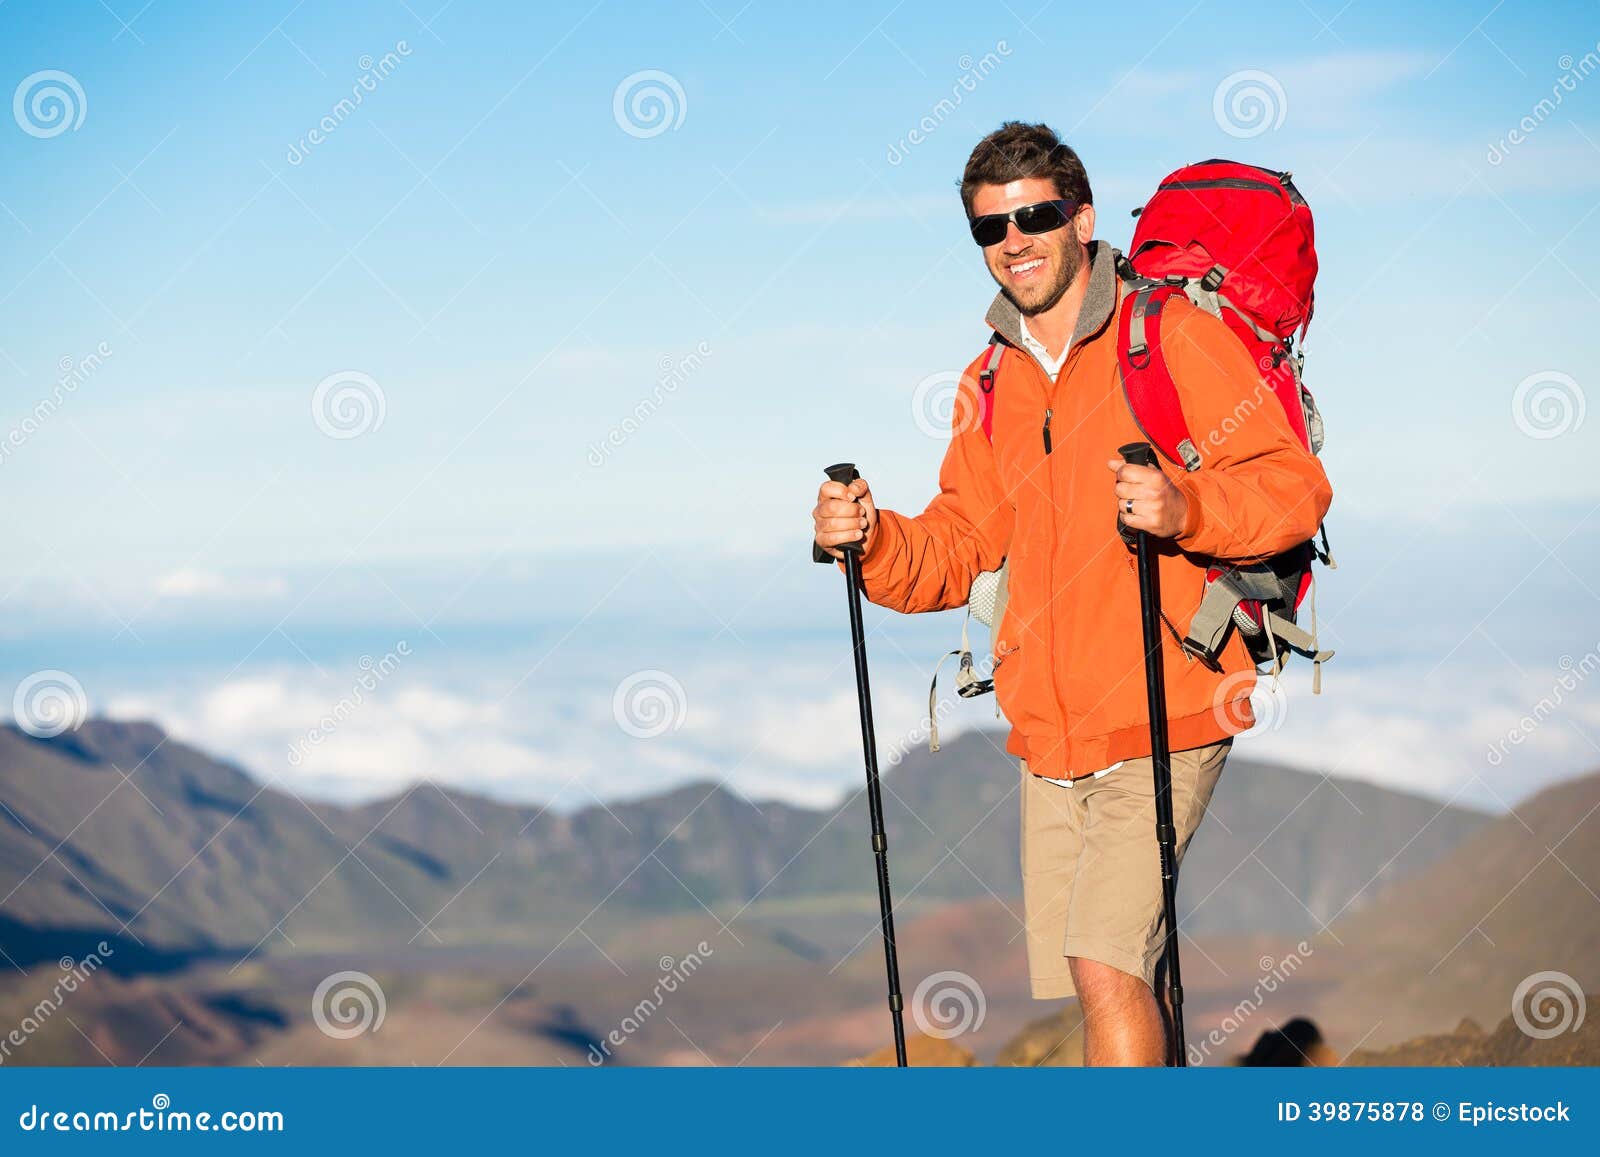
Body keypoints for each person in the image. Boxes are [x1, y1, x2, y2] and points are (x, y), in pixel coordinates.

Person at [811, 122, 1332, 1066]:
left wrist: (1188, 506)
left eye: (1036, 215)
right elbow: (960, 542)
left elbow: (1292, 488)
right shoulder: (989, 380)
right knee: (1129, 964)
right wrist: (870, 538)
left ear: (1082, 219)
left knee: (1105, 964)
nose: (1013, 241)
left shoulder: (1168, 337)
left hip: (1168, 700)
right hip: (1048, 732)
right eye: (989, 228)